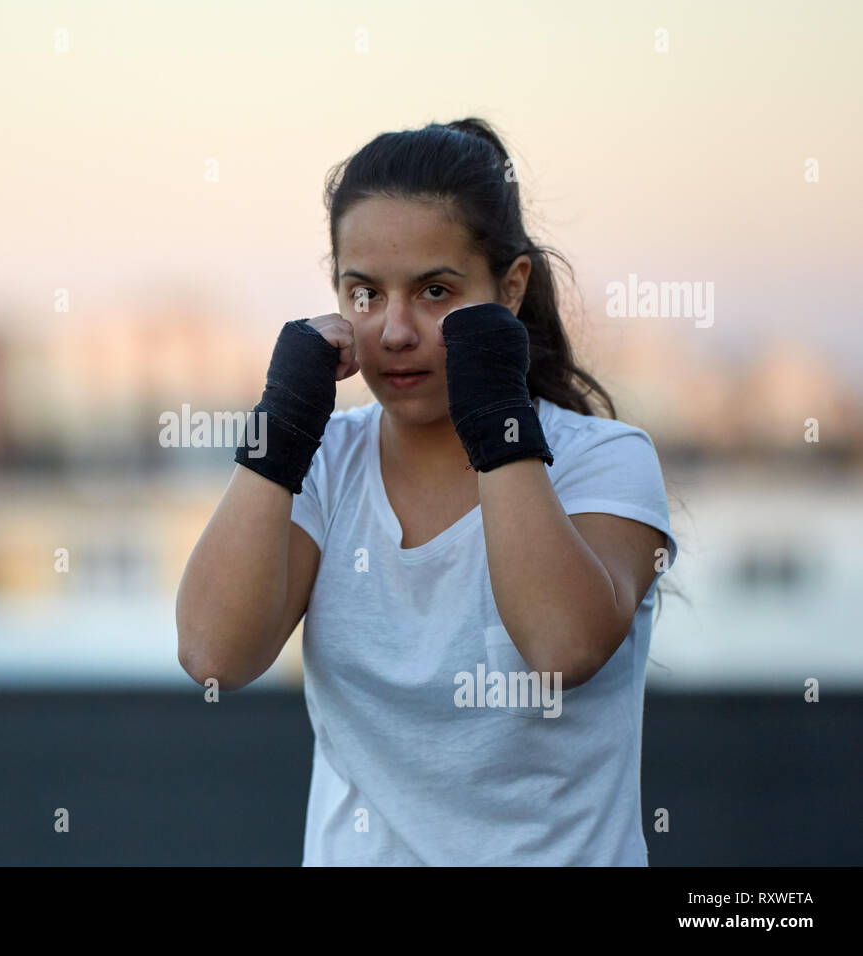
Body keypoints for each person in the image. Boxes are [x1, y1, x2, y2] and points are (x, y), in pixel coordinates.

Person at [175, 118, 678, 866]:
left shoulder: (602, 461)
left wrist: (495, 412)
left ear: (510, 289)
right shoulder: (326, 463)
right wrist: (279, 431)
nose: (395, 331)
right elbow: (215, 654)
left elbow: (559, 647)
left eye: (435, 291)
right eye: (365, 293)